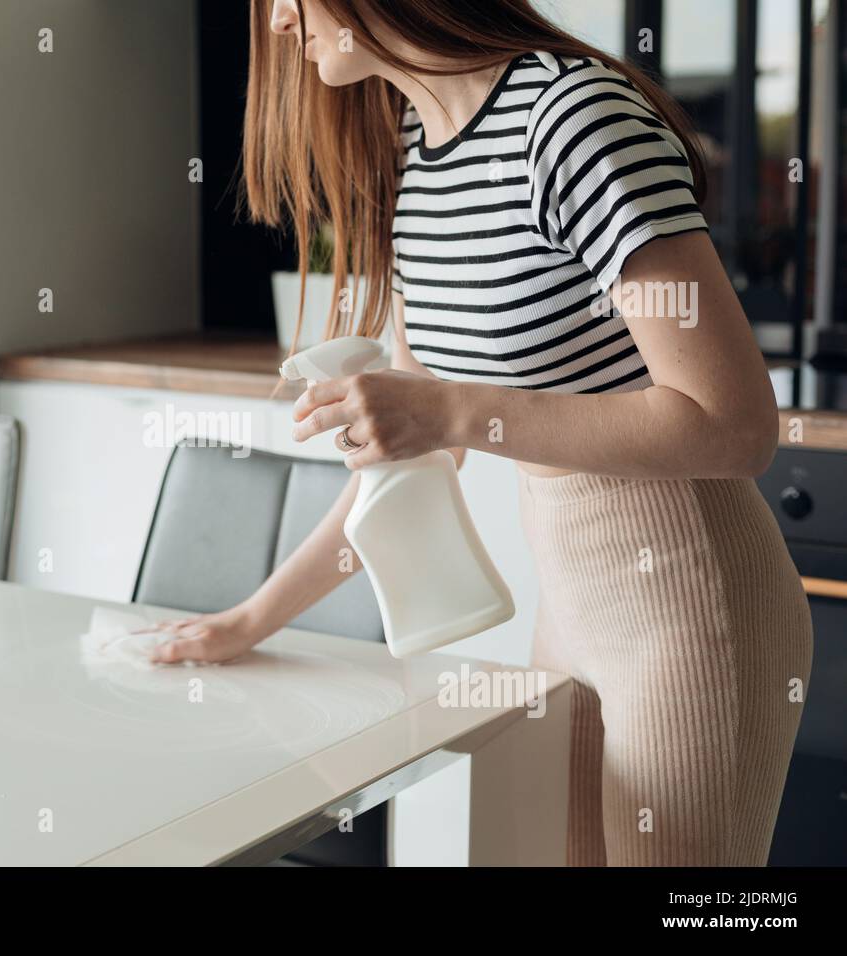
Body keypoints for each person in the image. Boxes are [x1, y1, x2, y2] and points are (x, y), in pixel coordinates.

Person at [148, 0, 812, 867]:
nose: (275, 24)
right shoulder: (419, 157)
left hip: (693, 611)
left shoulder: (570, 119)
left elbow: (734, 426)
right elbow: (412, 454)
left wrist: (451, 410)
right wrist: (248, 620)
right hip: (573, 616)